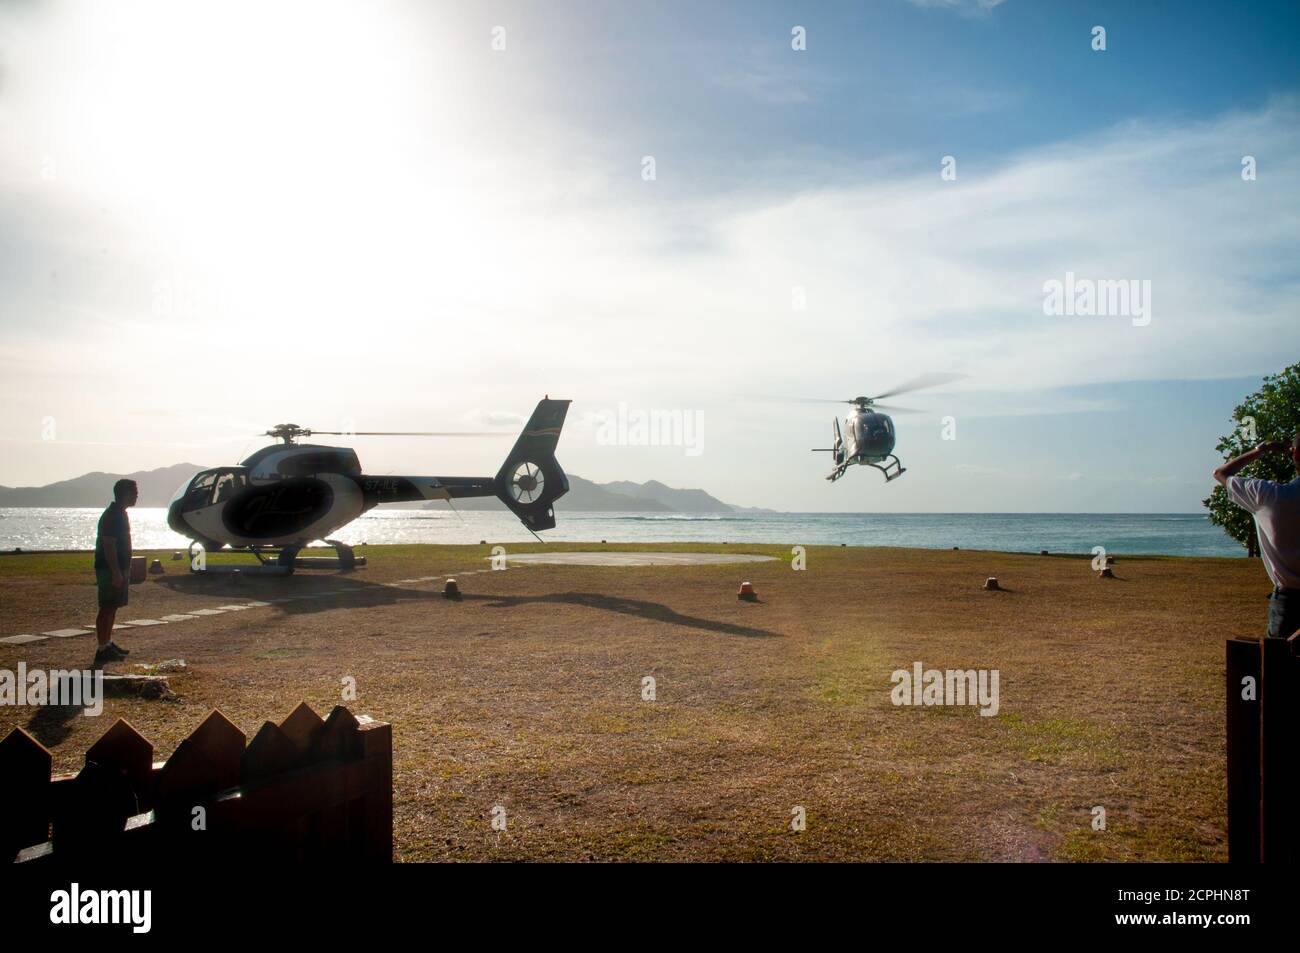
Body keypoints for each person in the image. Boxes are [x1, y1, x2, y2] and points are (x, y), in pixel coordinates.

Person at [1213, 434, 1300, 639]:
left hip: (1289, 601)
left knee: (1279, 665)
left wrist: (1261, 450)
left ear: (1295, 454)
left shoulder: (1269, 495)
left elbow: (1221, 473)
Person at [93, 478, 137, 666]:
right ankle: (102, 648)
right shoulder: (113, 515)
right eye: (134, 492)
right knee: (107, 607)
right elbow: (108, 544)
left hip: (119, 567)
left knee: (113, 606)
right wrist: (115, 571)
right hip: (110, 568)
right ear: (124, 494)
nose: (136, 496)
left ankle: (107, 643)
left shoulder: (120, 514)